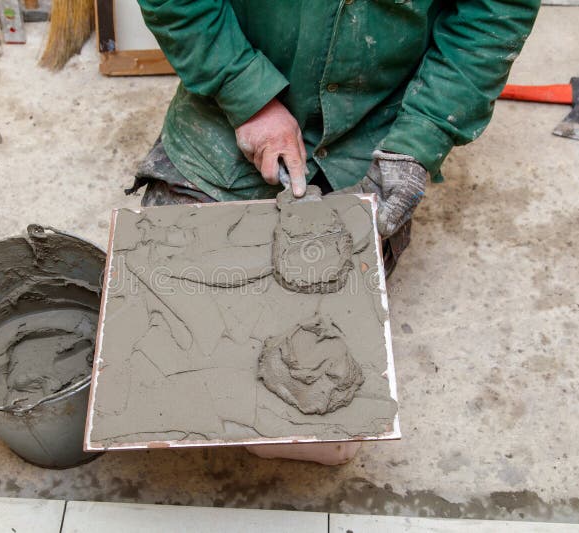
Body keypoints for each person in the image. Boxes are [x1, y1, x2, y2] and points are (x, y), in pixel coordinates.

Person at [128, 0, 540, 464]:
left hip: (374, 119)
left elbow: (494, 13)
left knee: (328, 391)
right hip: (234, 86)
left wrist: (420, 138)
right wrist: (246, 93)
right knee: (160, 304)